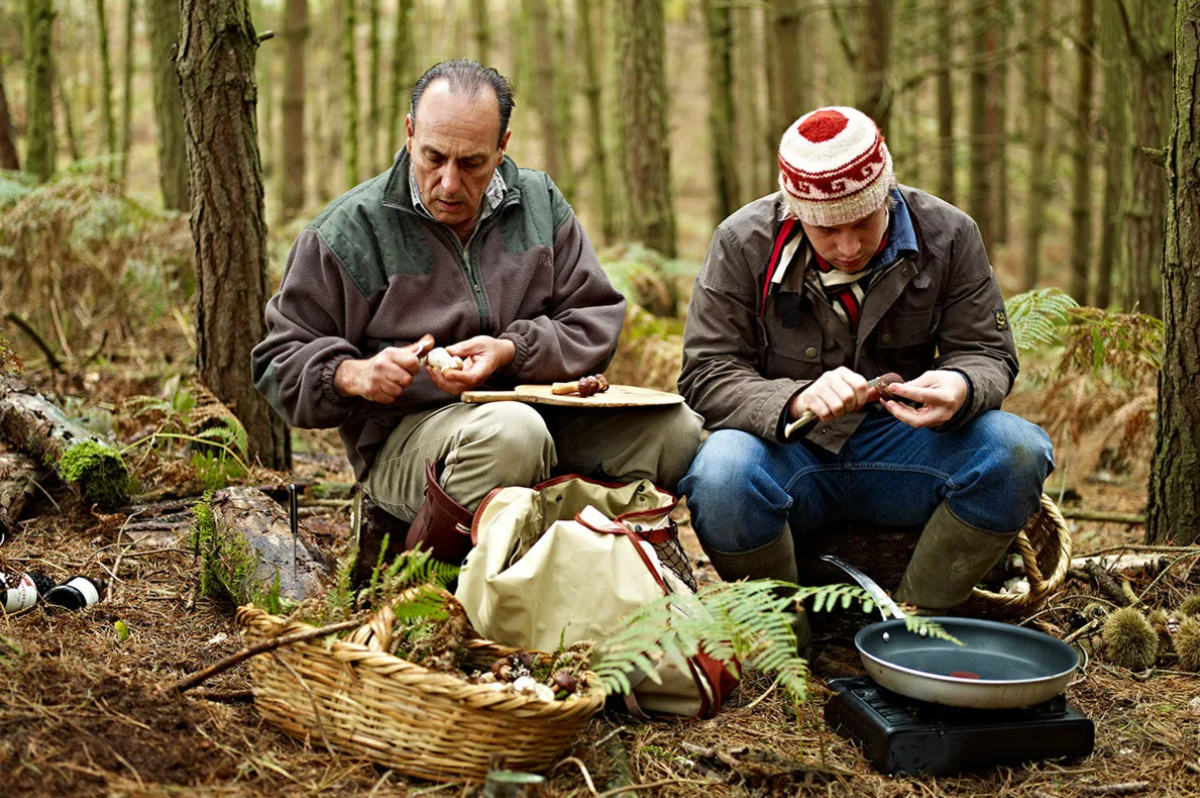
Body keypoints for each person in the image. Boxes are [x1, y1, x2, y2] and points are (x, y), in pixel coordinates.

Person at [252, 60, 702, 575]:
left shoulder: (538, 203)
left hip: (542, 414)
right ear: (409, 132)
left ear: (502, 146)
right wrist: (354, 374)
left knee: (675, 430)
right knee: (514, 435)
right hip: (410, 440)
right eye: (433, 157)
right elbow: (278, 362)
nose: (448, 182)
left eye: (471, 163)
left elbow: (594, 316)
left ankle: (587, 572)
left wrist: (513, 350)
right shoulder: (349, 232)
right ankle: (423, 585)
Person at [677, 106, 1054, 648]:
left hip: (911, 447)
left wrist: (963, 386)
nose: (849, 247)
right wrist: (794, 398)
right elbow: (706, 373)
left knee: (1017, 450)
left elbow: (987, 352)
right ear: (793, 210)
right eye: (827, 229)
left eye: (864, 222)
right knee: (720, 473)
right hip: (790, 452)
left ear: (887, 194)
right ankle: (784, 645)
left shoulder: (947, 234)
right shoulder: (743, 243)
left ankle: (915, 632)